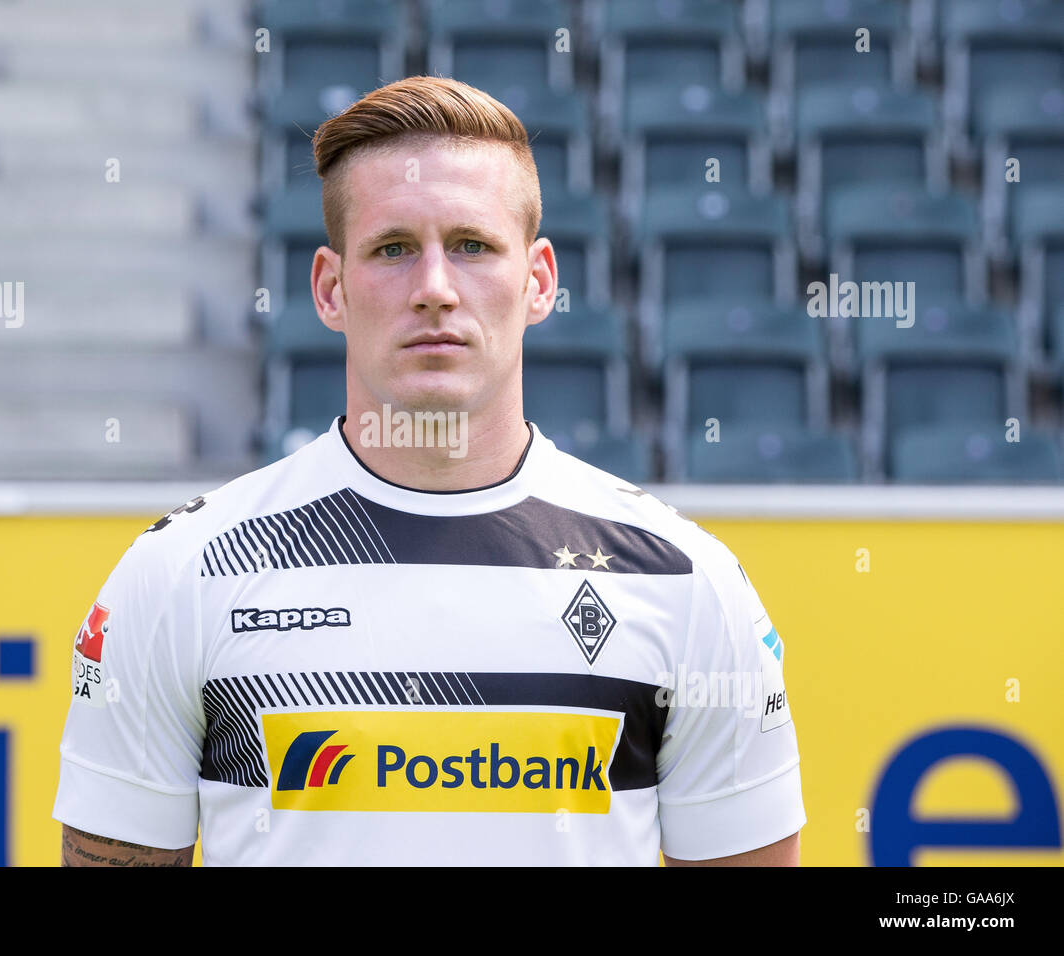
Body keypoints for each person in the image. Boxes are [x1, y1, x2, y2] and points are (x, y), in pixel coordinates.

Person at [54, 75, 805, 866]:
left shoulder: (685, 580)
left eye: (473, 246)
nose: (436, 290)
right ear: (330, 288)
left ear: (540, 280)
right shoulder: (183, 574)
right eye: (393, 249)